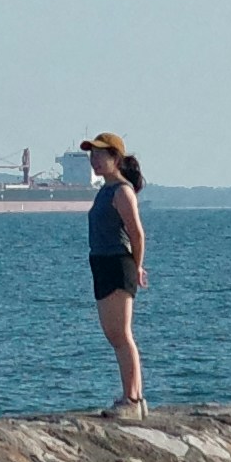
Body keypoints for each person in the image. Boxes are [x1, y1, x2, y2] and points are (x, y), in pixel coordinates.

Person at [82, 132, 149, 409]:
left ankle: (132, 399)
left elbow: (137, 234)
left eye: (100, 154)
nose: (94, 160)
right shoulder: (105, 191)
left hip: (117, 263)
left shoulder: (122, 191)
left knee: (121, 335)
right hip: (101, 262)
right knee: (113, 334)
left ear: (115, 158)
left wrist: (137, 266)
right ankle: (132, 396)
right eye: (92, 155)